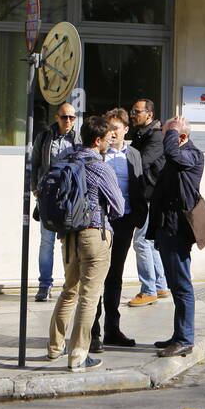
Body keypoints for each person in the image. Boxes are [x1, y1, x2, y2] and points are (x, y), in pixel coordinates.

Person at [46, 115, 124, 371]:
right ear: (98, 140)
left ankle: (55, 347)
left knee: (69, 291)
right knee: (89, 297)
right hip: (94, 234)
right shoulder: (101, 168)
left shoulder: (65, 159)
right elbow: (119, 207)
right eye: (107, 138)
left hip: (68, 235)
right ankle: (79, 355)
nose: (109, 142)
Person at [151, 116, 205, 358]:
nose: (165, 140)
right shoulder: (178, 155)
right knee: (174, 284)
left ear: (181, 137)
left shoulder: (192, 155)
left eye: (168, 136)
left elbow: (172, 155)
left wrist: (172, 131)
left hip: (177, 230)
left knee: (182, 286)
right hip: (166, 228)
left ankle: (185, 339)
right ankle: (178, 334)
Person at [89, 109, 143, 351]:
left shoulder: (133, 155)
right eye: (108, 128)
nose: (112, 133)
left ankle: (113, 328)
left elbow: (139, 185)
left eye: (116, 129)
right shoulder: (99, 154)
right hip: (102, 222)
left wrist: (138, 217)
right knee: (97, 276)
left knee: (115, 277)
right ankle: (93, 332)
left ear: (125, 130)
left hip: (125, 222)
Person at [28, 102, 80, 301]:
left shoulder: (78, 137)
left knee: (70, 243)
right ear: (56, 117)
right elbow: (34, 165)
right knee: (47, 242)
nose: (68, 121)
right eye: (64, 117)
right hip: (48, 196)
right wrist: (35, 189)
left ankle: (70, 285)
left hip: (70, 198)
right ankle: (44, 285)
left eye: (72, 117)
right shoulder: (45, 137)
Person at [125, 98, 170, 306]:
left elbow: (140, 163)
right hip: (148, 195)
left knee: (141, 242)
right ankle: (160, 286)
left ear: (149, 115)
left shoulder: (156, 137)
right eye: (132, 111)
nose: (133, 114)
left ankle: (148, 289)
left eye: (137, 111)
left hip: (150, 196)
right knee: (149, 243)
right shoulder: (142, 134)